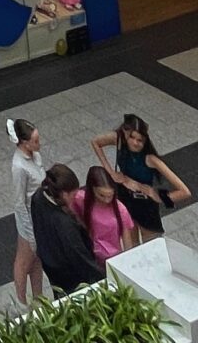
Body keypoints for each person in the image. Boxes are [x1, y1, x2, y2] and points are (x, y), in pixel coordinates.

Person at [92, 112, 190, 242]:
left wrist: (159, 197)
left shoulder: (150, 159)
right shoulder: (120, 141)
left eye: (140, 140)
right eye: (132, 137)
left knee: (151, 246)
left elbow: (185, 192)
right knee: (132, 245)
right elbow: (95, 142)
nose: (135, 143)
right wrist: (111, 172)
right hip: (126, 199)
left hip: (145, 205)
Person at [31, 163, 102, 294]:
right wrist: (101, 279)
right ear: (64, 194)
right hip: (71, 277)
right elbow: (79, 255)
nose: (75, 198)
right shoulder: (64, 224)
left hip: (51, 266)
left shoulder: (38, 197)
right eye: (73, 194)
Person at [8, 118, 45, 305]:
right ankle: (21, 303)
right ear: (23, 142)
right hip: (28, 219)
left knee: (37, 259)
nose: (39, 144)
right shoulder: (19, 166)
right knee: (24, 261)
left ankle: (39, 298)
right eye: (35, 141)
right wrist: (29, 233)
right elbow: (19, 202)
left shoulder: (35, 156)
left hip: (40, 215)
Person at [73, 165, 130, 269]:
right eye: (101, 195)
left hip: (112, 259)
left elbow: (128, 244)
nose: (107, 200)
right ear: (92, 189)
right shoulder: (80, 199)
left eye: (110, 196)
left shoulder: (120, 209)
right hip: (90, 256)